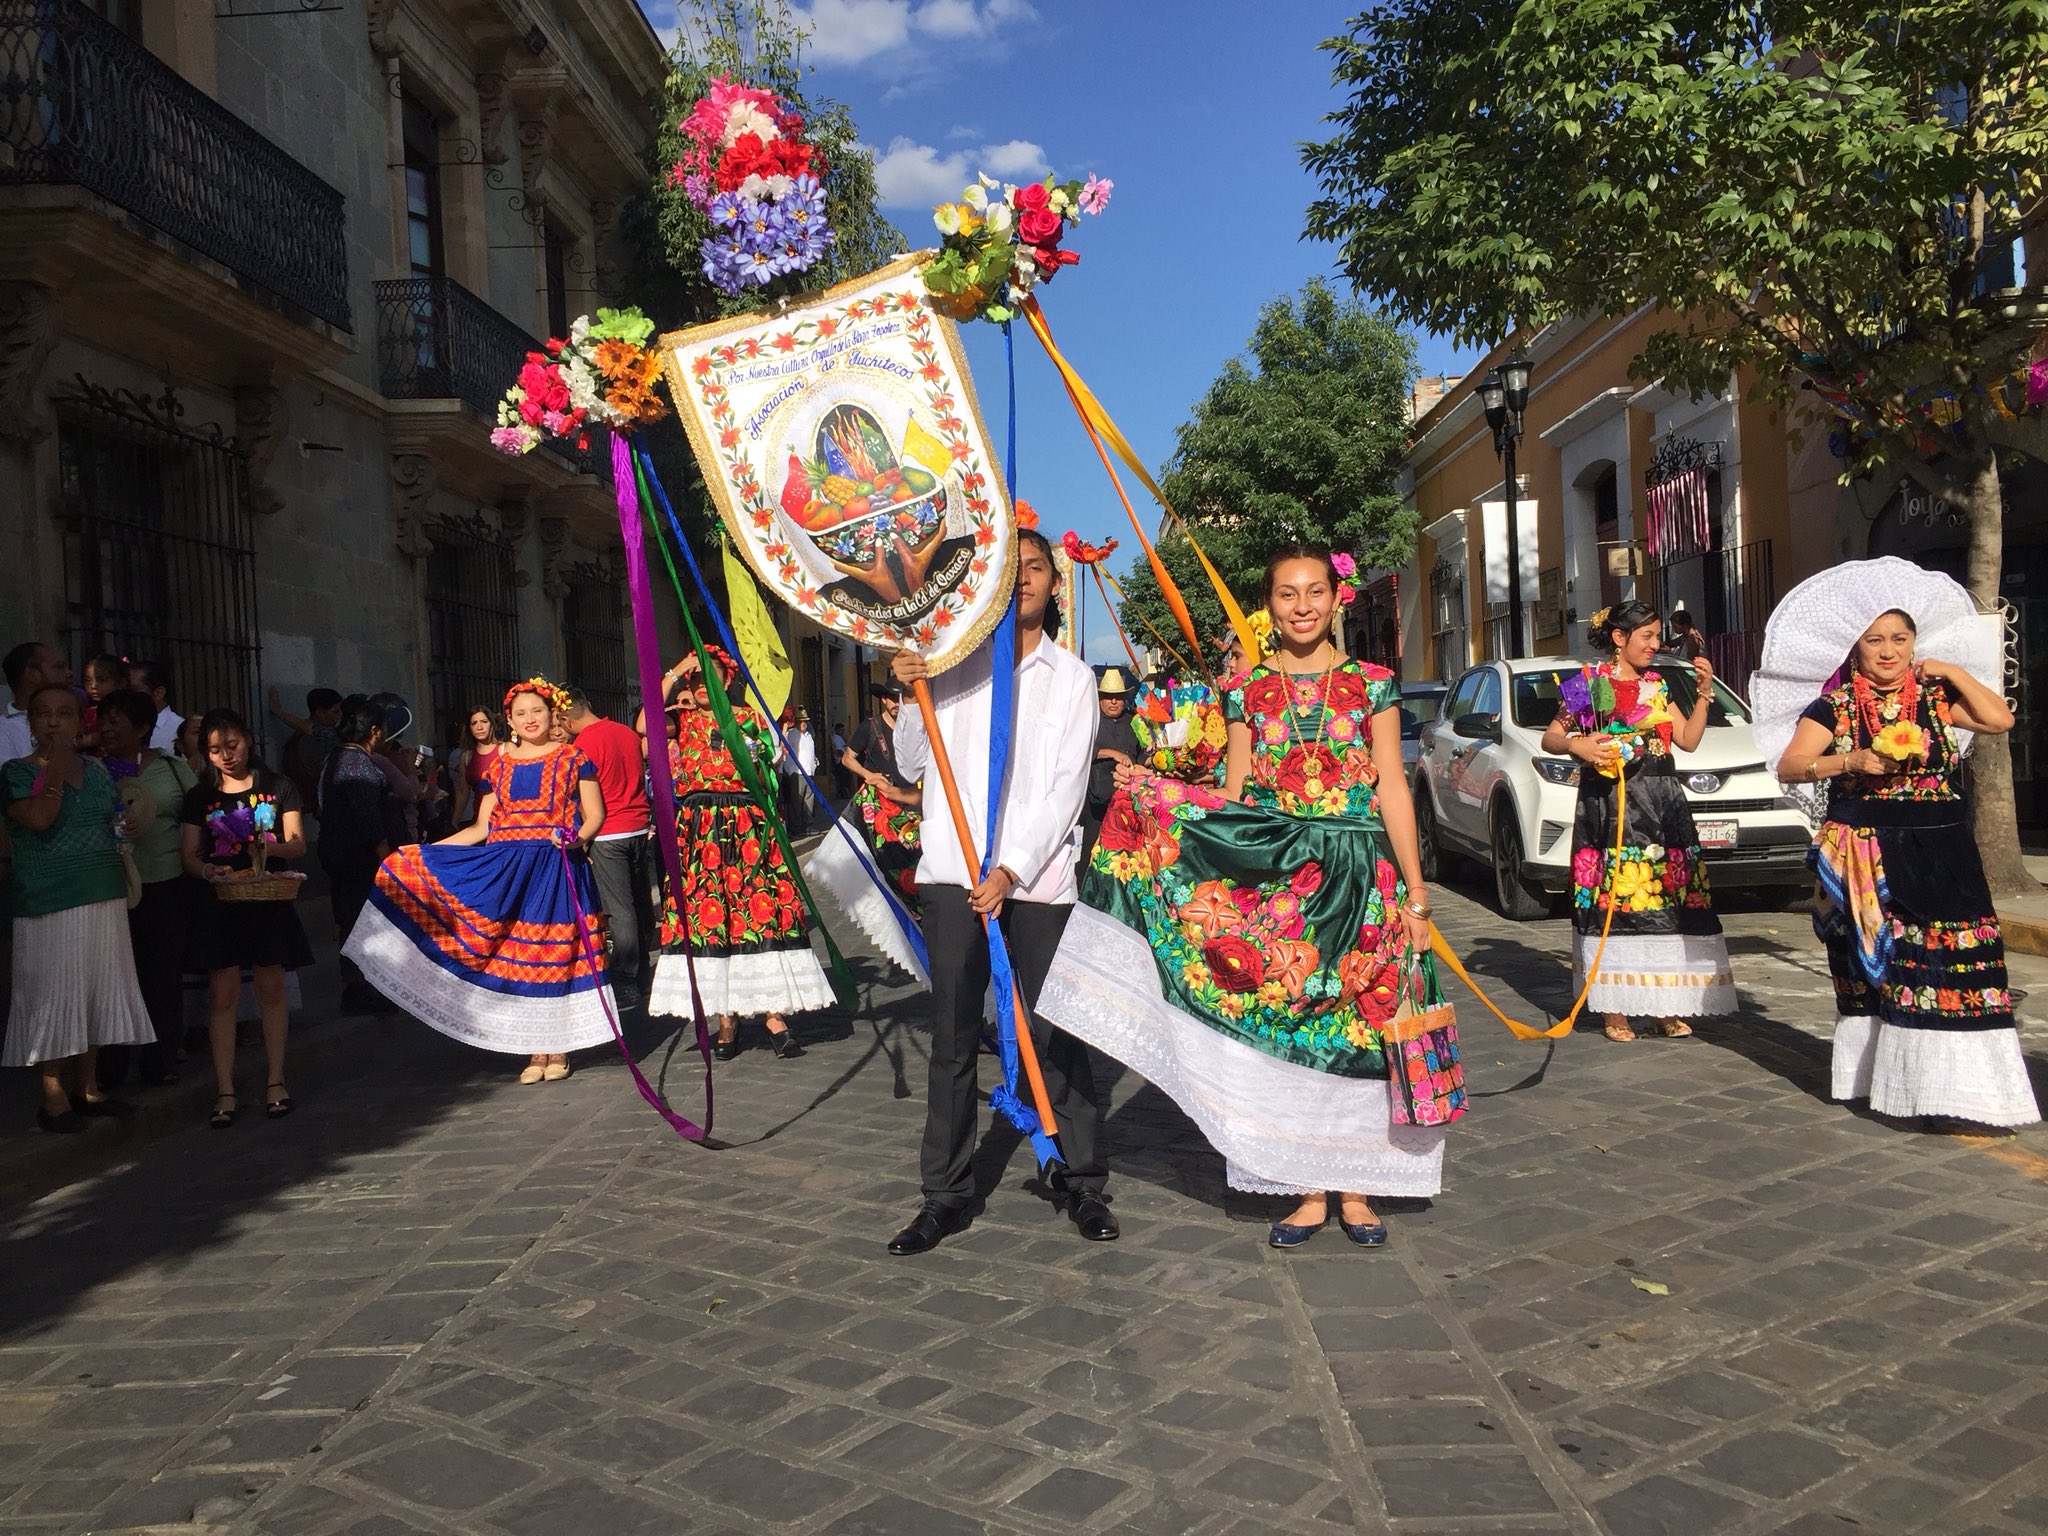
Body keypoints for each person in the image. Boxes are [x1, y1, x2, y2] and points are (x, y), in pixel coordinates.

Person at [1038, 546, 1446, 1250]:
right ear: (1270, 606)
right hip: (1284, 889)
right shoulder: (1246, 693)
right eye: (1287, 594)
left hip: (1363, 877)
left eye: (1315, 591)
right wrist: (1159, 799)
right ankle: (1306, 1185)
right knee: (1294, 1030)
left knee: (1359, 1029)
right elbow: (1232, 800)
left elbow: (1392, 788)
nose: (1303, 606)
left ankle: (1357, 1187)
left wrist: (1415, 894)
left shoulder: (1376, 685)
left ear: (1335, 598)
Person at [884, 528, 1107, 1256]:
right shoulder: (953, 668)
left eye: (1036, 569)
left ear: (1053, 583)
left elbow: (1065, 790)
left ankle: (1080, 1181)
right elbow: (914, 761)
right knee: (952, 1037)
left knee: (1055, 1036)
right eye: (1012, 572)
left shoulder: (1072, 679)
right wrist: (913, 690)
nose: (1025, 582)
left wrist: (1010, 867)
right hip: (953, 875)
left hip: (1036, 880)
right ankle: (944, 1194)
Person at [1777, 609, 2038, 1129]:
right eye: (1875, 640)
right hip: (1868, 852)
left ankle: (1954, 1091)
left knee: (1956, 961)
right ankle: (1890, 1082)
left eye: (1900, 639)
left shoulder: (1937, 700)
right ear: (1857, 647)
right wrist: (1851, 761)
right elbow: (1791, 765)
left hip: (1944, 852)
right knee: (1888, 966)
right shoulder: (1836, 706)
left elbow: (1999, 720)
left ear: (1915, 644)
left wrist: (1955, 673)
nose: (1888, 650)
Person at [346, 677, 613, 1083]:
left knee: (553, 952)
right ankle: (533, 1048)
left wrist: (578, 837)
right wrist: (429, 852)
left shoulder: (573, 758)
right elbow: (481, 827)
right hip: (506, 869)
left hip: (555, 866)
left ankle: (556, 1045)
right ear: (508, 719)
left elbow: (595, 813)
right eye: (521, 713)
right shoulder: (501, 765)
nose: (530, 719)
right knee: (518, 953)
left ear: (552, 714)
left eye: (537, 711)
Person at [1541, 601, 1735, 1042]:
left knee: (1665, 904)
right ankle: (1616, 1007)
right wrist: (1580, 745)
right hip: (1614, 806)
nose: (1655, 644)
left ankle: (1663, 1002)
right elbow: (1552, 736)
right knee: (1620, 904)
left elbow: (1686, 740)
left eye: (1656, 636)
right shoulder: (1588, 685)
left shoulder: (1657, 685)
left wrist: (1703, 693)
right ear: (1618, 637)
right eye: (1645, 636)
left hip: (1664, 806)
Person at [649, 646, 832, 1059]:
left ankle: (773, 1016)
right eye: (693, 680)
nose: (699, 685)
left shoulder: (749, 719)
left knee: (758, 909)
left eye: (706, 677)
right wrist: (677, 668)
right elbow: (645, 721)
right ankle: (726, 1019)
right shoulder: (683, 720)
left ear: (727, 681)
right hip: (700, 828)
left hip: (747, 824)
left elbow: (767, 772)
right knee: (714, 915)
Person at [1, 684, 153, 1131]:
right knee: (52, 995)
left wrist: (126, 824)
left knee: (95, 992)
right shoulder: (16, 772)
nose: (53, 722)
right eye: (43, 714)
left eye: (64, 714)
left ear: (78, 721)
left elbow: (112, 824)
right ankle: (51, 1096)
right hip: (49, 901)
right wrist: (55, 763)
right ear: (30, 724)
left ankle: (87, 1088)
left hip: (101, 893)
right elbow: (39, 818)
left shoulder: (100, 772)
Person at [181, 708, 313, 1126]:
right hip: (220, 901)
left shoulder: (278, 786)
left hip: (267, 897)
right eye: (216, 750)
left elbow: (296, 844)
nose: (226, 756)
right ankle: (225, 1088)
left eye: (232, 746)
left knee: (271, 988)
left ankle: (276, 1079)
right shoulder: (200, 796)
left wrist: (262, 847)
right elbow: (189, 854)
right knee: (222, 995)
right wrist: (207, 870)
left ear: (249, 740)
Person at [95, 689, 198, 1089]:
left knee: (161, 974)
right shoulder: (93, 772)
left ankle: (160, 1056)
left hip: (166, 884)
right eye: (102, 722)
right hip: (113, 886)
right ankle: (112, 1062)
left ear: (141, 728)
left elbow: (198, 812)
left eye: (115, 722)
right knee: (117, 975)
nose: (105, 730)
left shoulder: (170, 768)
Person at [561, 686, 654, 1009]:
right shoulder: (627, 733)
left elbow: (583, 794)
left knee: (619, 910)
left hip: (608, 832)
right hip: (639, 827)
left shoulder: (584, 743)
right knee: (641, 903)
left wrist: (582, 838)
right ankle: (643, 975)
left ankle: (627, 979)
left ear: (565, 718)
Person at [318, 698, 406, 1015]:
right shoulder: (356, 764)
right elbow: (367, 816)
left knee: (356, 920)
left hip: (343, 855)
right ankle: (362, 988)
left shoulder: (339, 758)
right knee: (363, 921)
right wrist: (385, 855)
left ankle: (364, 985)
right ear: (373, 731)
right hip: (358, 860)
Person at [1082, 666, 1140, 856]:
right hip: (1097, 804)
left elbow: (1144, 753)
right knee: (1094, 852)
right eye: (1108, 696)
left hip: (1129, 802)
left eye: (1118, 697)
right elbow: (1079, 751)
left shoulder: (1135, 721)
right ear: (1100, 699)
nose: (1113, 702)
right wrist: (1111, 753)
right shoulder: (1089, 721)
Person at [268, 685, 343, 810]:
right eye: (335, 711)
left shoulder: (306, 736)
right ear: (319, 712)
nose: (339, 716)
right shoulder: (320, 737)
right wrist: (277, 710)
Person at [1, 641, 73, 764]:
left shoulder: (76, 715)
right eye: (59, 667)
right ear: (32, 674)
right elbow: (15, 780)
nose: (69, 673)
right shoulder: (3, 729)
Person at [448, 703, 502, 829]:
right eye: (474, 723)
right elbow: (463, 791)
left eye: (484, 721)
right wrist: (454, 823)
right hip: (479, 821)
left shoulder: (505, 750)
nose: (479, 727)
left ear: (491, 724)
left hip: (505, 820)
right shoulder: (466, 757)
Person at [127, 660, 181, 752]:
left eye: (133, 691)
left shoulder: (178, 729)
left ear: (159, 693)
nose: (126, 696)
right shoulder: (122, 726)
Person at [80, 653, 126, 755]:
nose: (93, 686)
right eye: (88, 680)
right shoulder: (86, 712)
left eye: (102, 680)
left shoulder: (125, 712)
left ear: (121, 683)